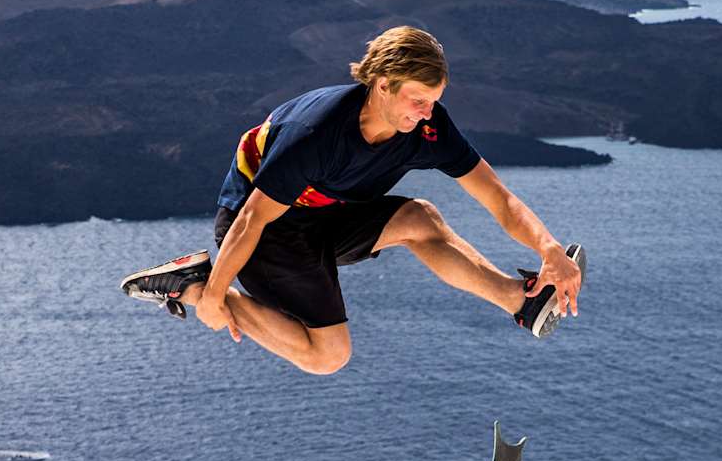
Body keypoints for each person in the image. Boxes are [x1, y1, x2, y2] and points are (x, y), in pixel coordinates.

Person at [120, 26, 585, 375]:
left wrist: (548, 249)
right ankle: (194, 285)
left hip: (325, 216)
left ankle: (520, 301)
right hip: (265, 232)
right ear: (382, 85)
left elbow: (498, 198)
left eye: (434, 100)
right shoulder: (316, 134)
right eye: (418, 100)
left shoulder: (428, 128)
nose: (428, 113)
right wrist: (214, 299)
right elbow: (250, 222)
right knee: (328, 356)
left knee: (419, 218)